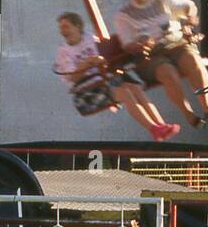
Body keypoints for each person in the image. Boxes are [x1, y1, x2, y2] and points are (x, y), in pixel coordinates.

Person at [113, 0, 208, 127]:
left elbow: (190, 6)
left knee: (193, 61)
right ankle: (188, 114)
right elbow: (127, 44)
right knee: (168, 72)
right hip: (150, 55)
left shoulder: (162, 0)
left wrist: (189, 22)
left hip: (175, 43)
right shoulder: (124, 15)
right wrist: (140, 45)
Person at [54, 12, 180, 140]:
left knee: (134, 87)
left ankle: (161, 125)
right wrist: (87, 63)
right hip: (87, 92)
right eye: (61, 28)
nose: (62, 31)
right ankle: (153, 129)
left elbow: (106, 53)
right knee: (124, 92)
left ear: (78, 27)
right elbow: (72, 77)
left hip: (104, 81)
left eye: (66, 27)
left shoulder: (89, 39)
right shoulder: (64, 52)